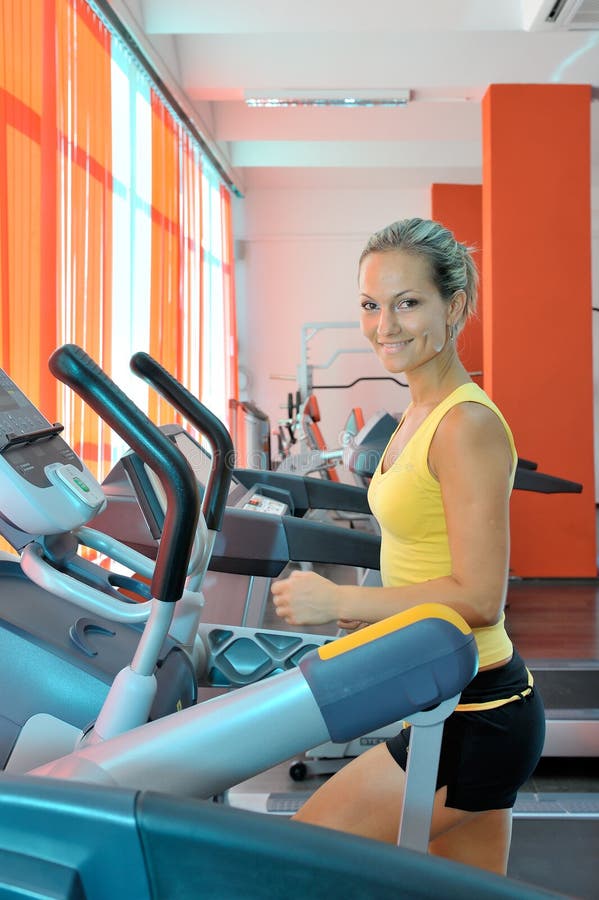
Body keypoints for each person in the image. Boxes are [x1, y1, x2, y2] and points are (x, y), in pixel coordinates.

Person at [271, 217, 546, 875]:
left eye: (407, 303)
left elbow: (479, 597)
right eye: (370, 305)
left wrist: (342, 599)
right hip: (449, 699)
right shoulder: (414, 414)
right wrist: (368, 611)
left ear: (452, 308)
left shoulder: (464, 424)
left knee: (289, 865)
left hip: (474, 712)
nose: (384, 325)